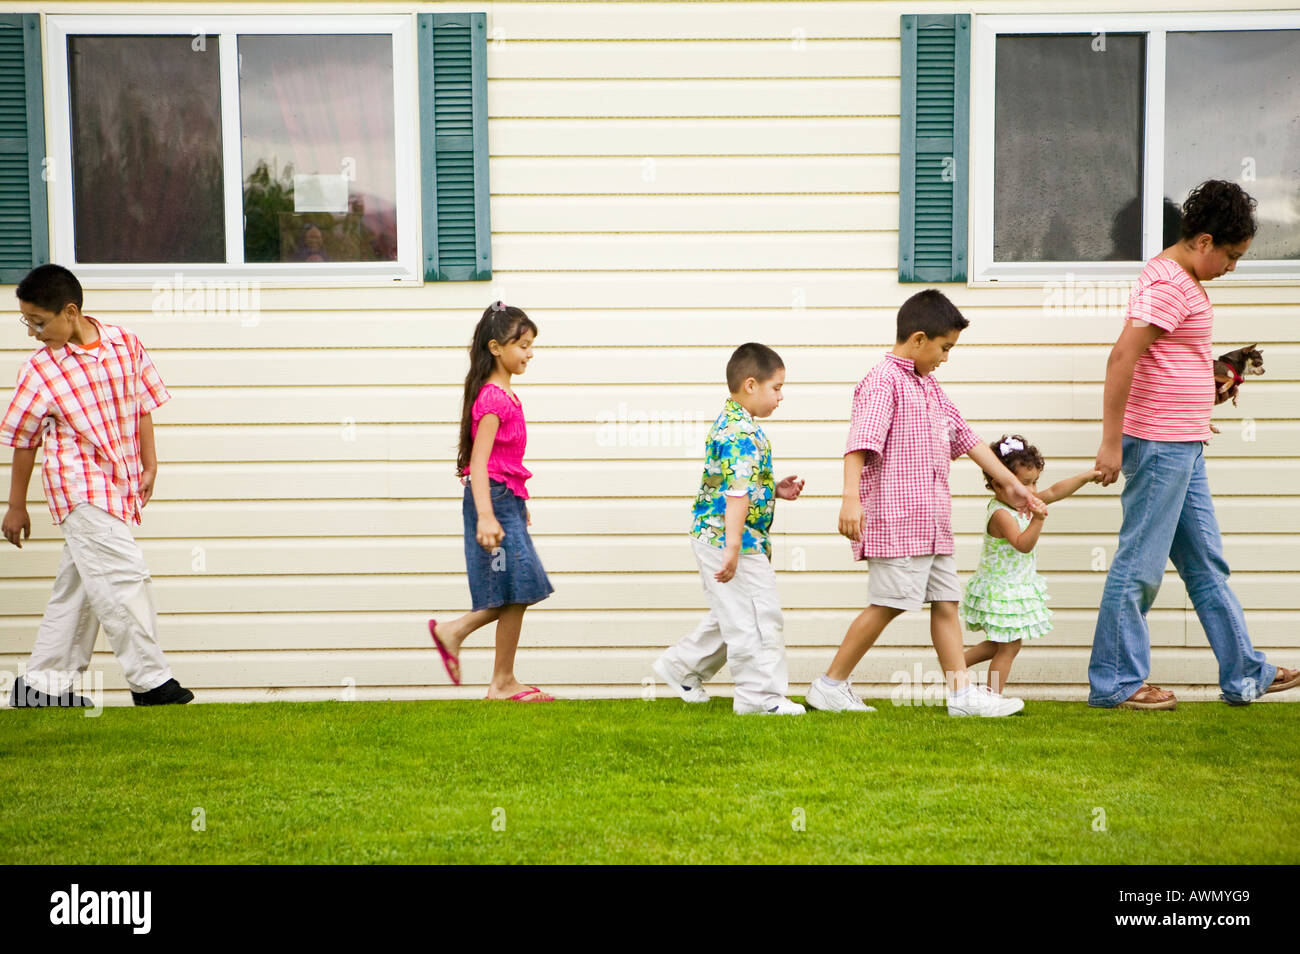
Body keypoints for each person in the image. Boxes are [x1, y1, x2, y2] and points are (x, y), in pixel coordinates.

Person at [1090, 179, 1298, 709]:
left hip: (1181, 441)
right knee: (1139, 564)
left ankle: (1245, 672)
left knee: (1206, 564)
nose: (1233, 266)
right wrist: (1111, 443)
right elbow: (1121, 359)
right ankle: (1116, 683)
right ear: (1204, 241)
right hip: (1159, 444)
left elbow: (1169, 362)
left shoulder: (1179, 279)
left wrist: (1210, 384)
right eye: (1231, 255)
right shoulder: (1168, 286)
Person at [806, 289, 1046, 717]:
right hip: (898, 519)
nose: (946, 358)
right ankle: (829, 685)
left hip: (932, 522)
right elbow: (859, 444)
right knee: (890, 603)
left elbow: (968, 438)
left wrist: (1014, 485)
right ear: (918, 339)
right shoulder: (883, 381)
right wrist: (849, 500)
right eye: (944, 348)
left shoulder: (930, 388)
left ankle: (960, 696)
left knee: (945, 603)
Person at [1, 264, 192, 707]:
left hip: (117, 483)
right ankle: (151, 682)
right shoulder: (40, 371)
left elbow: (142, 404)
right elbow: (24, 441)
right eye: (26, 321)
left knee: (83, 586)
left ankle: (41, 688)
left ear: (70, 311)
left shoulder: (126, 344)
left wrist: (150, 462)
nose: (32, 332)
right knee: (126, 577)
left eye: (38, 321)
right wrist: (16, 506)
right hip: (78, 487)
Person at [653, 343, 807, 714]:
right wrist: (734, 547)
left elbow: (740, 485)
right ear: (751, 385)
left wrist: (773, 490)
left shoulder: (736, 423)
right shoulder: (740, 432)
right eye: (777, 387)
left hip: (717, 534)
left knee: (735, 610)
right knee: (757, 614)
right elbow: (736, 493)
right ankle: (760, 698)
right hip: (730, 538)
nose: (781, 397)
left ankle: (683, 668)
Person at [428, 302, 555, 702]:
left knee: (520, 587)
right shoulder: (494, 399)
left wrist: (518, 503)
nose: (530, 353)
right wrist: (487, 514)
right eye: (523, 345)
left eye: (532, 345)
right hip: (493, 502)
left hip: (506, 499)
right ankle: (463, 642)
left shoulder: (506, 395)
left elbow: (504, 462)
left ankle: (500, 678)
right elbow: (479, 465)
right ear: (496, 347)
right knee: (518, 587)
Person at [961, 435, 1100, 701]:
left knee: (998, 644)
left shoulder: (1022, 502)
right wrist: (1038, 520)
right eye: (1025, 483)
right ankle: (990, 697)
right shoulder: (1001, 513)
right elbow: (1022, 544)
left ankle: (954, 667)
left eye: (1035, 482)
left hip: (1012, 587)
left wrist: (1085, 477)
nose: (1033, 491)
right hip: (1002, 590)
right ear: (997, 484)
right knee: (1010, 647)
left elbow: (1056, 491)